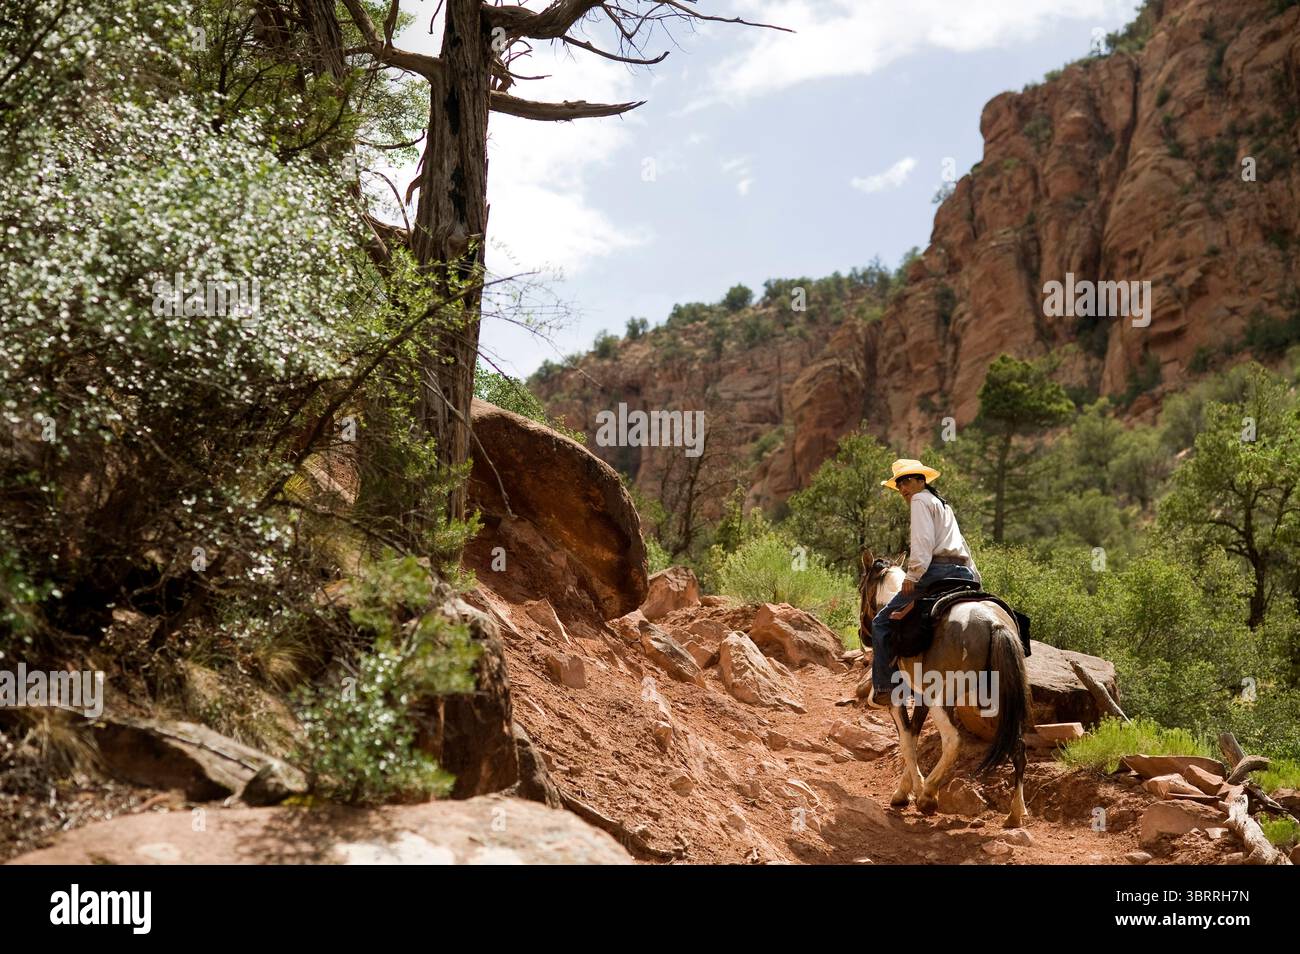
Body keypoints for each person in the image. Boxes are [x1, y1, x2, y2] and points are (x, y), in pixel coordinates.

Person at [866, 458, 980, 709]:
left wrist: (913, 576)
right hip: (962, 572)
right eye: (899, 485)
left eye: (907, 481)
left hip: (936, 572)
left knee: (881, 622)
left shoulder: (919, 501)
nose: (904, 489)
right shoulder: (943, 505)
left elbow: (923, 543)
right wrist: (974, 576)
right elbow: (963, 545)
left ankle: (886, 688)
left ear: (921, 481)